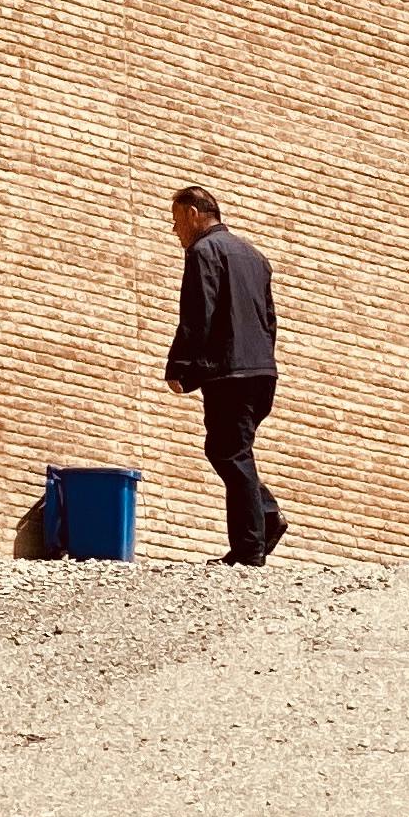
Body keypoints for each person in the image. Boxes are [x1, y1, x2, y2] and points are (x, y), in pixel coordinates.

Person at [163, 182, 285, 566]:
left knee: (228, 452)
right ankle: (263, 517)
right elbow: (270, 320)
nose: (175, 230)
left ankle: (251, 548)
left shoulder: (204, 251)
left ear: (193, 215)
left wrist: (180, 365)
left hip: (230, 373)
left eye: (176, 220)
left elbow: (199, 312)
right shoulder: (255, 255)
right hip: (261, 372)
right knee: (232, 450)